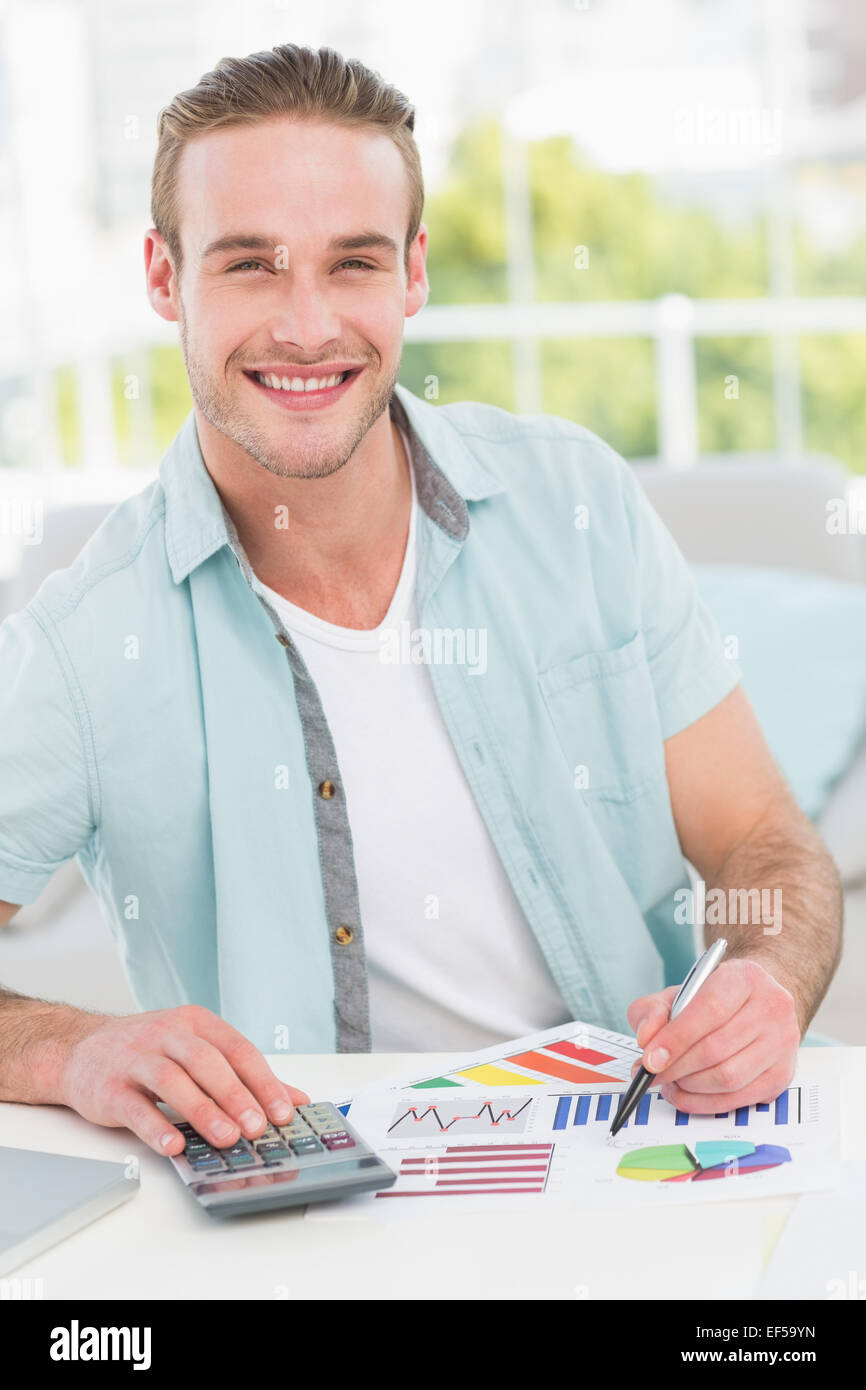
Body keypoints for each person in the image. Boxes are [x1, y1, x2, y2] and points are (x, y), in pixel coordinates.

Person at [0, 44, 841, 1161]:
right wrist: (70, 1049)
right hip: (309, 1222)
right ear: (163, 276)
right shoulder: (82, 645)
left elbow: (761, 846)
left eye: (351, 263)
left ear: (412, 273)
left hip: (639, 1161)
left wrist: (762, 978)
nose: (306, 327)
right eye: (250, 264)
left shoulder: (573, 499)